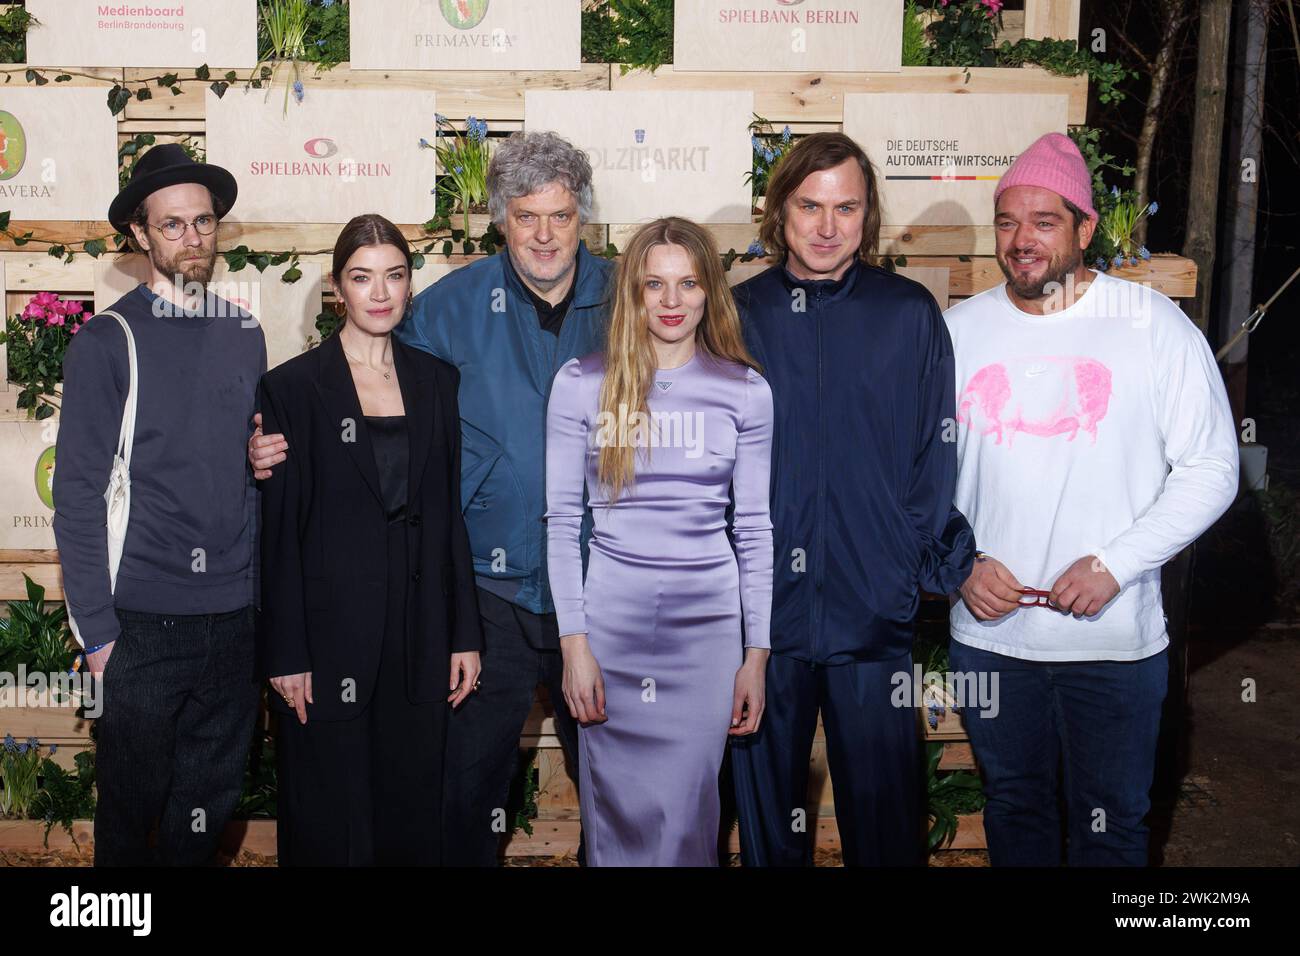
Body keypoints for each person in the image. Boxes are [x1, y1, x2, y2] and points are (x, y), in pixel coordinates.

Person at [249, 131, 613, 864]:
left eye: (561, 217)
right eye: (524, 216)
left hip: (602, 587)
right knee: (462, 794)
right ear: (500, 219)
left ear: (584, 219)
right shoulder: (446, 309)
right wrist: (266, 447)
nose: (544, 235)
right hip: (484, 593)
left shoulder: (629, 299)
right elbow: (364, 394)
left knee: (618, 785)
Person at [945, 132, 1239, 866]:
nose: (1022, 240)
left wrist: (1116, 562)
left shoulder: (1154, 328)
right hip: (990, 640)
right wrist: (959, 565)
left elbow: (1211, 467)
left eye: (1045, 222)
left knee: (1112, 828)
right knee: (1016, 813)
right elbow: (914, 478)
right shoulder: (954, 333)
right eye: (1008, 221)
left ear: (1084, 229)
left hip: (1112, 641)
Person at [729, 132, 975, 867]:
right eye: (810, 206)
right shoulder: (736, 316)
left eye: (847, 207)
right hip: (762, 623)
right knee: (768, 823)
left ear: (868, 216)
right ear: (780, 211)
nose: (827, 225)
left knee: (887, 819)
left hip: (875, 614)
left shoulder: (909, 315)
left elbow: (935, 457)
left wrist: (909, 570)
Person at [53, 144, 265, 866]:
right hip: (143, 625)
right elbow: (77, 494)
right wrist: (101, 637)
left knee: (206, 813)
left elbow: (240, 466)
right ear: (140, 235)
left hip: (235, 621)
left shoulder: (245, 333)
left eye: (203, 223)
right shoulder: (106, 341)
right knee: (130, 818)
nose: (191, 239)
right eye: (171, 225)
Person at [545, 216, 773, 866]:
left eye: (688, 284)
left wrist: (755, 655)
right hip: (610, 635)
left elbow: (754, 531)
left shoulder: (746, 392)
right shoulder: (581, 385)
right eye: (654, 285)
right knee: (615, 821)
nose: (672, 302)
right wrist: (575, 645)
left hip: (706, 642)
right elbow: (562, 524)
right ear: (632, 293)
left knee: (689, 823)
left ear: (710, 293)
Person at [256, 214, 481, 866]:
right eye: (362, 278)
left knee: (411, 810)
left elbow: (446, 516)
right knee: (328, 817)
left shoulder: (438, 383)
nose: (379, 293)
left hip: (419, 633)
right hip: (327, 641)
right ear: (337, 288)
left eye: (394, 276)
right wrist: (286, 652)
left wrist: (464, 631)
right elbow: (281, 536)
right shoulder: (292, 387)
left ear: (410, 284)